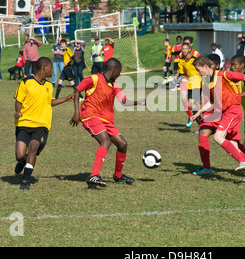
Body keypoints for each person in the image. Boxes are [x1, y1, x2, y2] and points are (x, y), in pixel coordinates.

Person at [189, 55, 245, 183]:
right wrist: (199, 112)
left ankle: (244, 161)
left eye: (198, 70)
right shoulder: (206, 81)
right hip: (226, 113)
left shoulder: (223, 75)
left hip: (233, 111)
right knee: (234, 146)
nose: (197, 73)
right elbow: (211, 101)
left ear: (206, 67)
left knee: (218, 137)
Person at [69, 58, 146, 187]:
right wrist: (77, 113)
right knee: (106, 141)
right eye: (119, 72)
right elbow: (77, 90)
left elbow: (123, 101)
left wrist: (138, 102)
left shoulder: (114, 84)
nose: (120, 75)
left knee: (122, 144)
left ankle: (118, 176)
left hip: (106, 120)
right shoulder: (94, 79)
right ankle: (93, 176)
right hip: (90, 115)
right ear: (114, 70)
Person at [14, 57, 74, 190]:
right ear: (44, 68)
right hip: (24, 123)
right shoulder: (26, 82)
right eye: (51, 68)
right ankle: (22, 162)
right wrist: (18, 112)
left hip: (42, 124)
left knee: (33, 147)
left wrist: (65, 98)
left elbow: (49, 102)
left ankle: (25, 180)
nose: (53, 71)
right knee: (20, 155)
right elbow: (18, 100)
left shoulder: (48, 86)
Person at [175, 43, 202, 128]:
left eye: (186, 49)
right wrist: (177, 76)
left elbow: (202, 69)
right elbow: (182, 72)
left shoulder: (195, 60)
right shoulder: (181, 60)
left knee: (191, 105)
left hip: (197, 84)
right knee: (193, 108)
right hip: (190, 85)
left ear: (190, 50)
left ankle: (206, 109)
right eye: (183, 49)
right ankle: (202, 126)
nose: (184, 50)